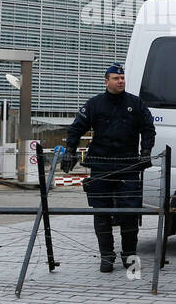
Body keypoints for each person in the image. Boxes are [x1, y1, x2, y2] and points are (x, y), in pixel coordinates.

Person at [62, 63, 156, 272]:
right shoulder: (95, 104)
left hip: (128, 165)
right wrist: (70, 151)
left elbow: (148, 128)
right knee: (101, 212)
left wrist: (146, 152)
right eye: (115, 78)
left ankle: (129, 256)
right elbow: (76, 128)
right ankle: (107, 256)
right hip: (101, 165)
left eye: (122, 78)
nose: (120, 81)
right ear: (106, 81)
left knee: (129, 213)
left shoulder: (135, 103)